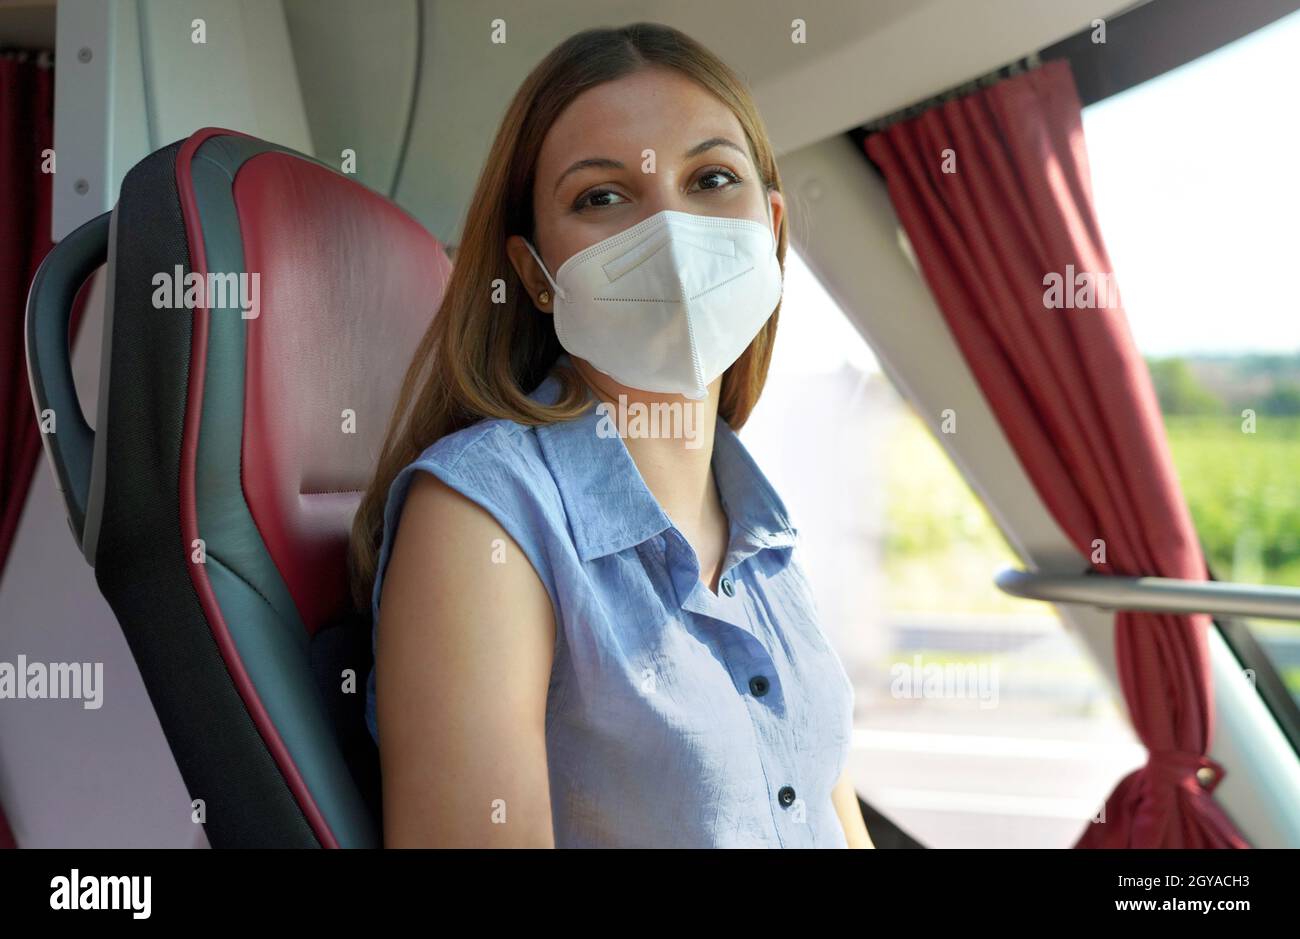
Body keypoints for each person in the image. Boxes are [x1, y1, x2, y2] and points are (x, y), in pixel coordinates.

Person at [349, 21, 872, 849]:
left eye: (711, 178)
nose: (668, 230)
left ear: (770, 229)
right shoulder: (482, 519)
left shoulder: (764, 531)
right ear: (536, 276)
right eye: (602, 196)